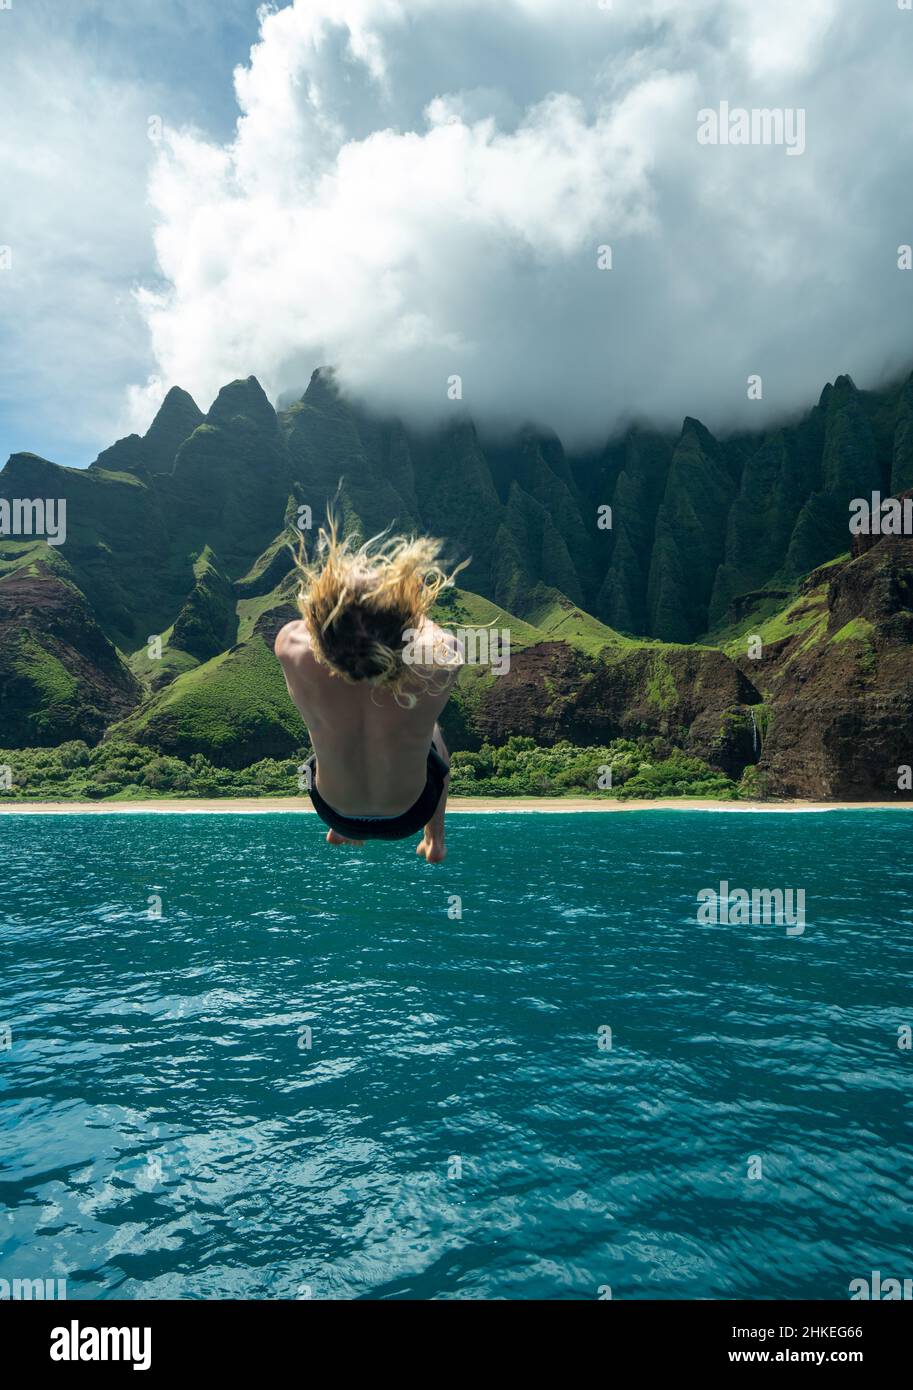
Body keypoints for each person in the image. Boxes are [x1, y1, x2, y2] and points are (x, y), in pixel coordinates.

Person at [275, 520, 464, 862]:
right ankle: (435, 841)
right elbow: (431, 631)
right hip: (410, 814)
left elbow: (304, 624)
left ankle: (342, 831)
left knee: (325, 723)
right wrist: (402, 609)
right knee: (435, 734)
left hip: (334, 811)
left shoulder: (292, 649)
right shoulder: (441, 659)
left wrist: (341, 607)